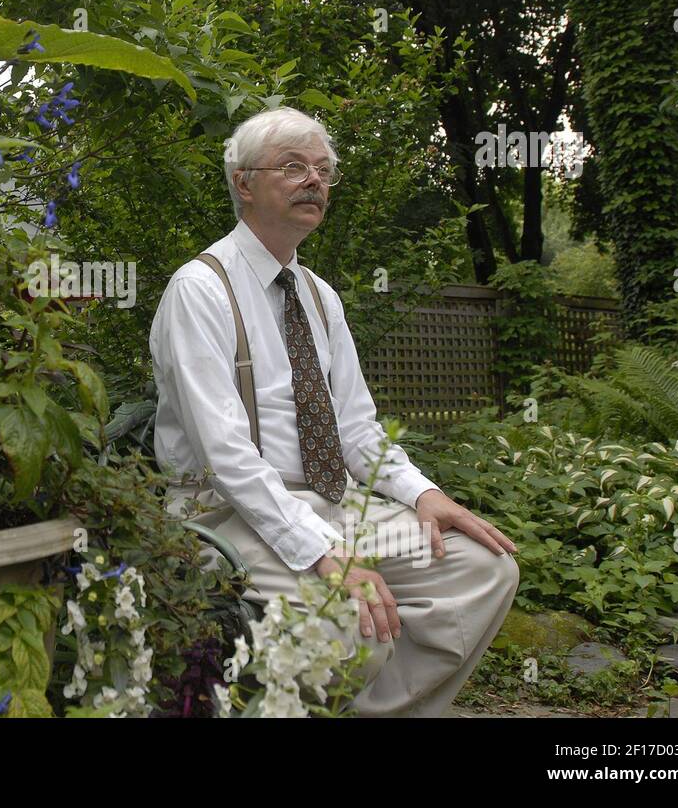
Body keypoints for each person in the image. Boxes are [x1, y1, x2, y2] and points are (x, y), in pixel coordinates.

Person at [148, 106, 520, 716]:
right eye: (293, 166)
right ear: (244, 183)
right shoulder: (200, 289)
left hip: (333, 502)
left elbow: (355, 428)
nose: (314, 181)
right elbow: (224, 457)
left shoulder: (319, 296)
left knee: (484, 571)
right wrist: (322, 553)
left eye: (323, 170)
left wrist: (423, 493)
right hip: (227, 513)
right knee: (348, 624)